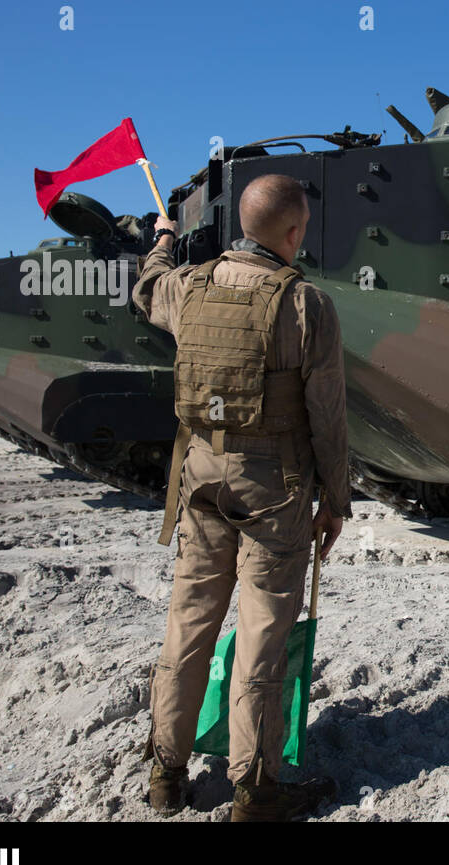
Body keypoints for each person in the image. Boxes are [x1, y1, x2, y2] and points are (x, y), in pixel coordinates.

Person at [132, 173, 350, 821]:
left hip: (199, 478)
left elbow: (147, 288)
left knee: (189, 622)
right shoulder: (307, 304)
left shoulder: (187, 287)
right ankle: (255, 790)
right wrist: (335, 499)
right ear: (292, 233)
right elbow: (328, 417)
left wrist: (163, 240)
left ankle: (166, 774)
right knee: (262, 631)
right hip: (274, 490)